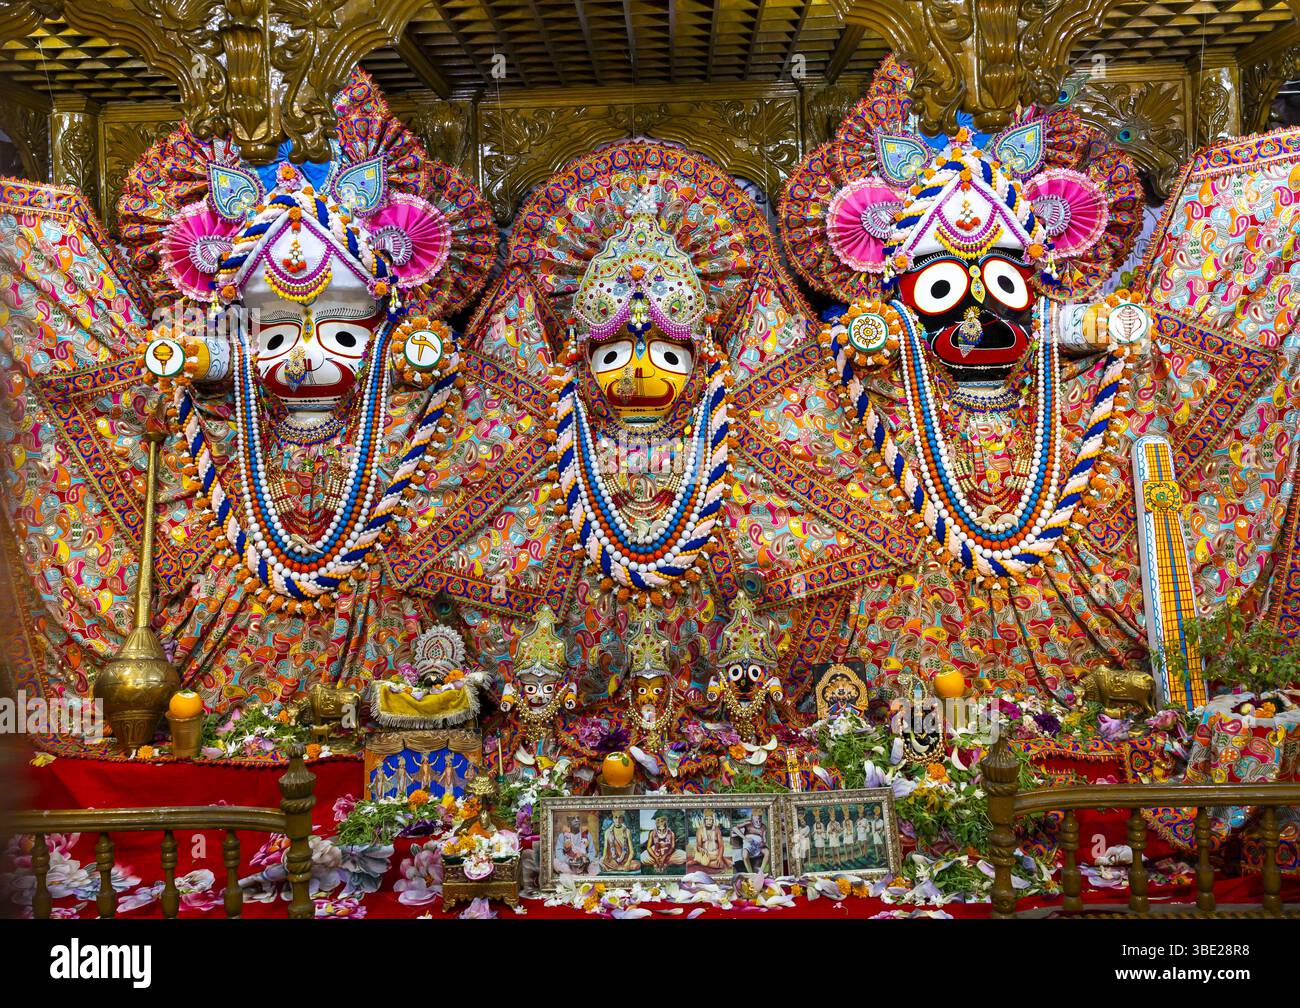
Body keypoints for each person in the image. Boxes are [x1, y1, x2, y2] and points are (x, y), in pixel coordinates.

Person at [735, 809, 768, 873]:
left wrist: (763, 842)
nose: (758, 820)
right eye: (756, 817)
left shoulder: (763, 826)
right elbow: (735, 828)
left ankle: (760, 872)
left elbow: (764, 838)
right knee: (745, 855)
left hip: (758, 845)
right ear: (752, 817)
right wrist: (745, 838)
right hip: (748, 843)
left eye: (760, 818)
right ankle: (750, 873)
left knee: (767, 852)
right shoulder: (748, 823)